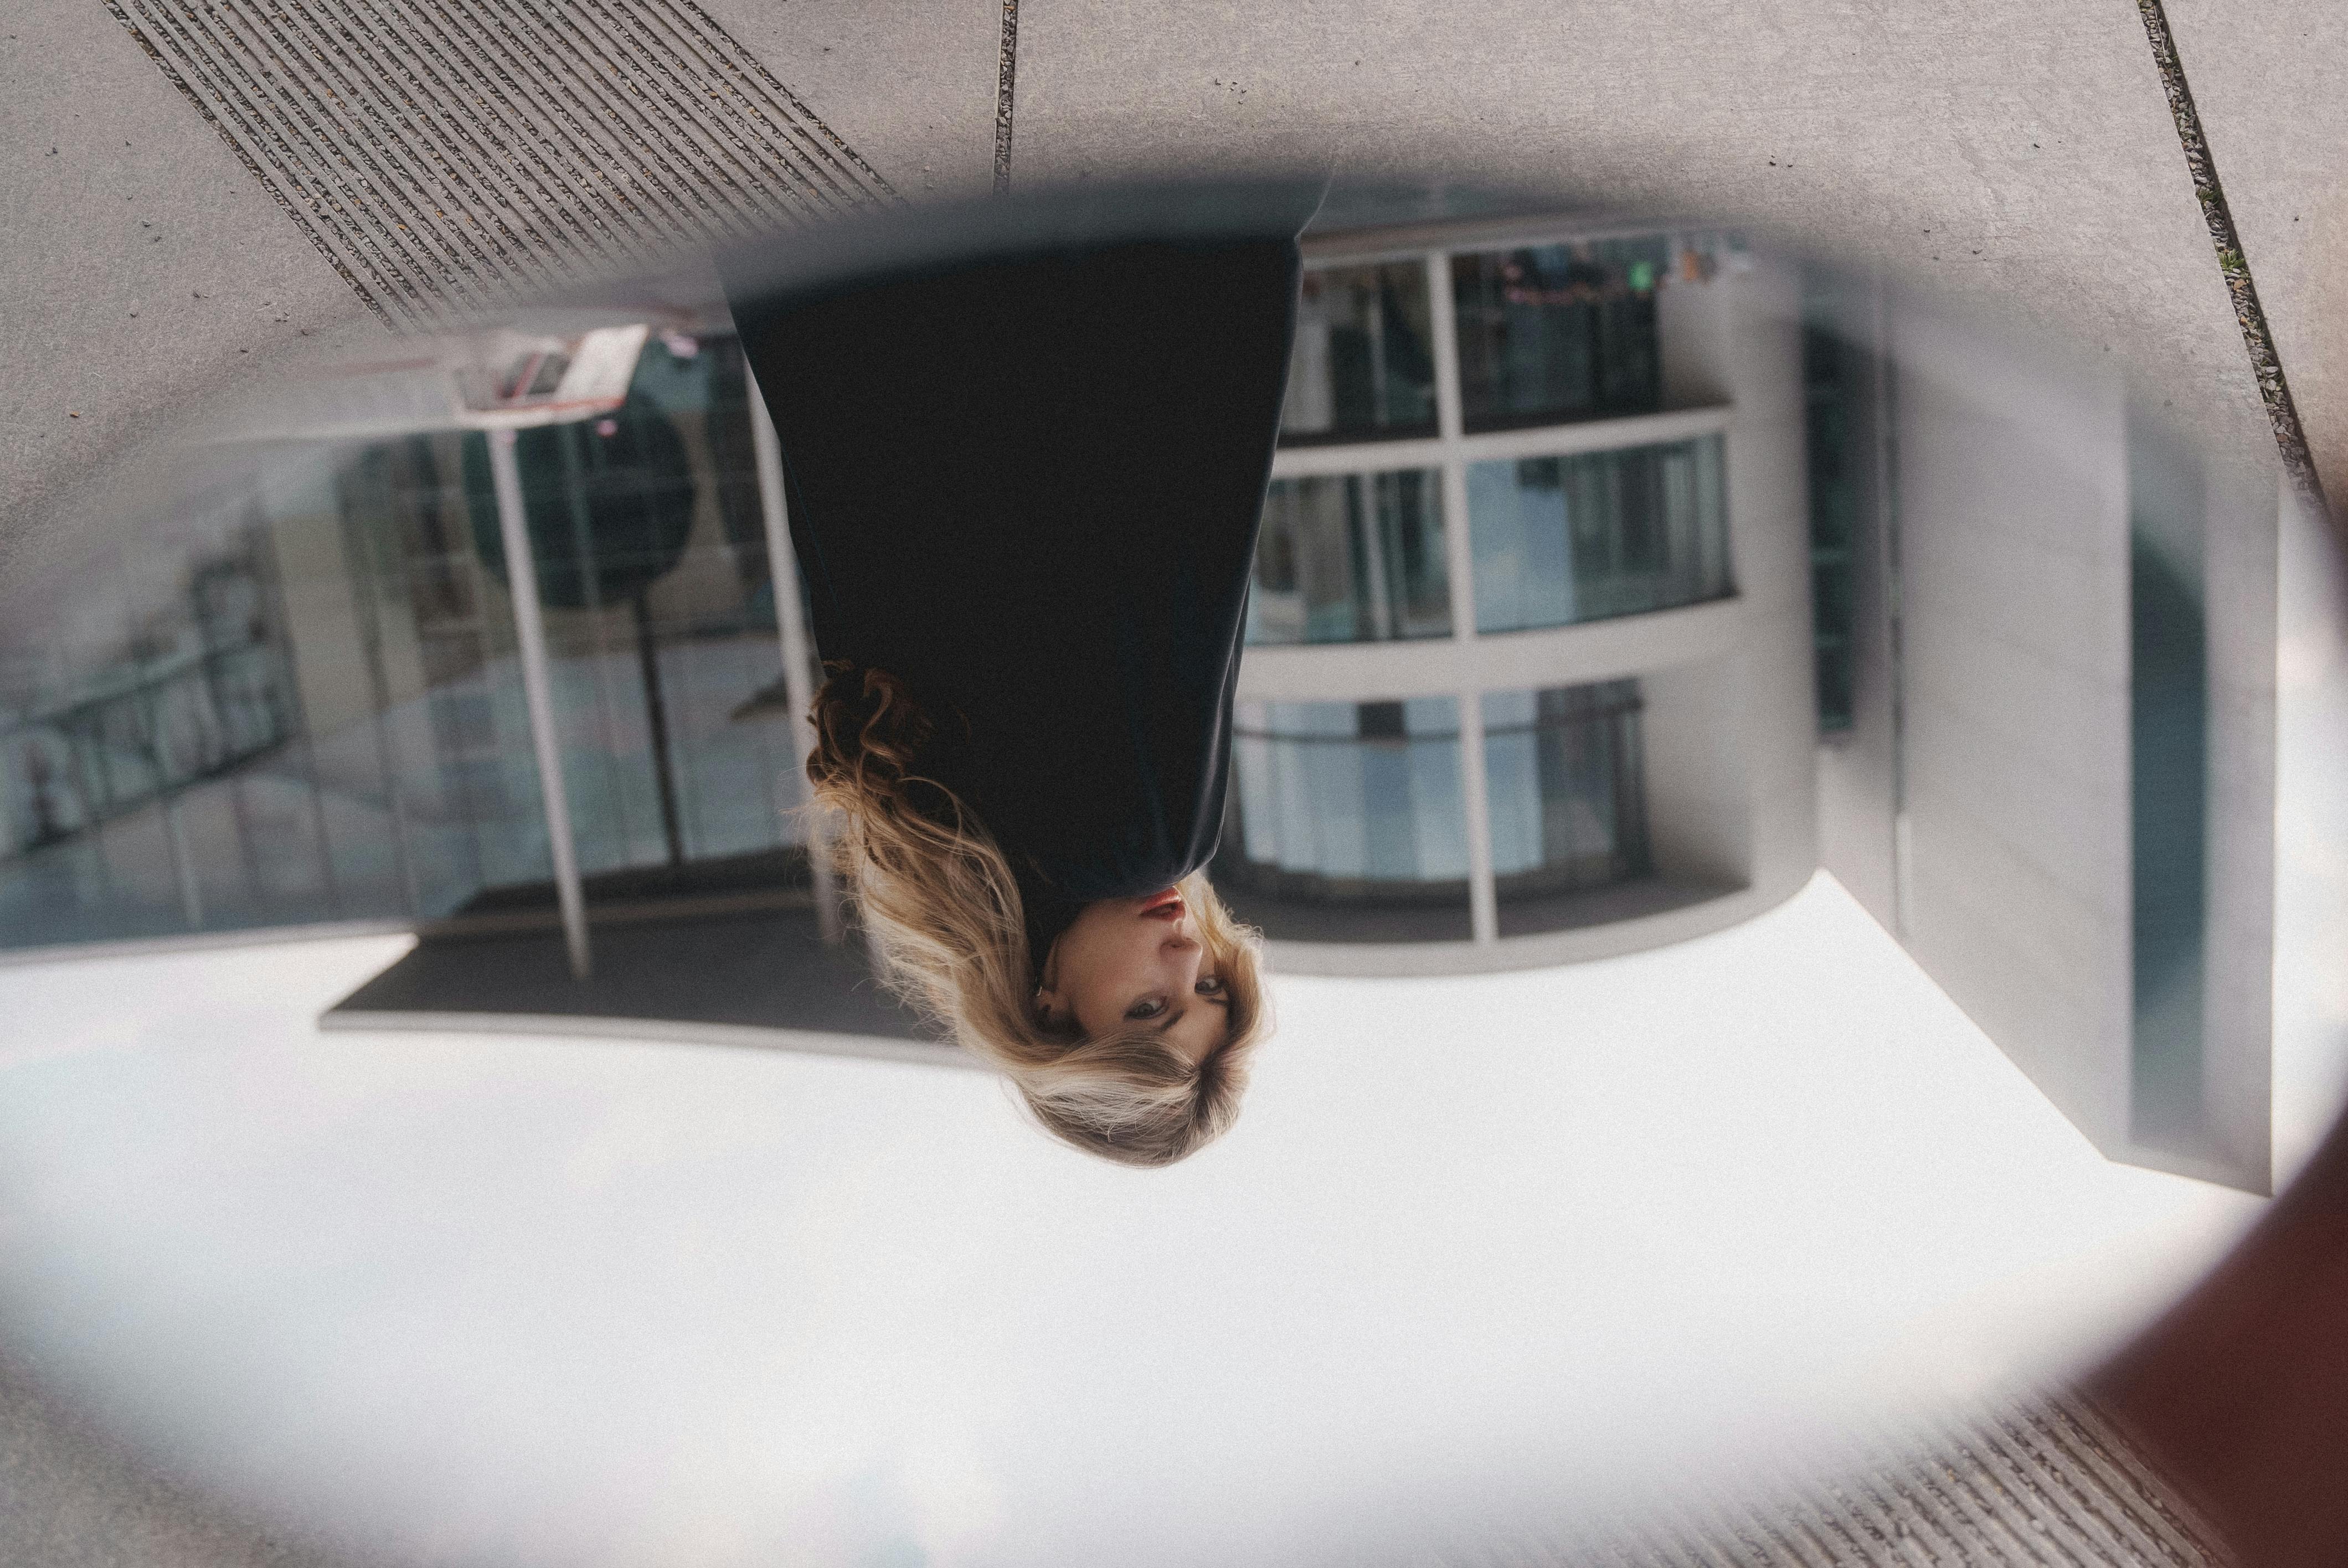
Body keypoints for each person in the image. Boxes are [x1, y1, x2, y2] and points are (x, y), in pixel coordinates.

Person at [730, 234, 1302, 1166]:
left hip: (1055, 267)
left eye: (1149, 1007)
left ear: (1051, 1012)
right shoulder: (934, 819)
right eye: (1210, 991)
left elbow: (1196, 531)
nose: (1187, 957)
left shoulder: (1141, 843)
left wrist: (1251, 252)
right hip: (842, 292)